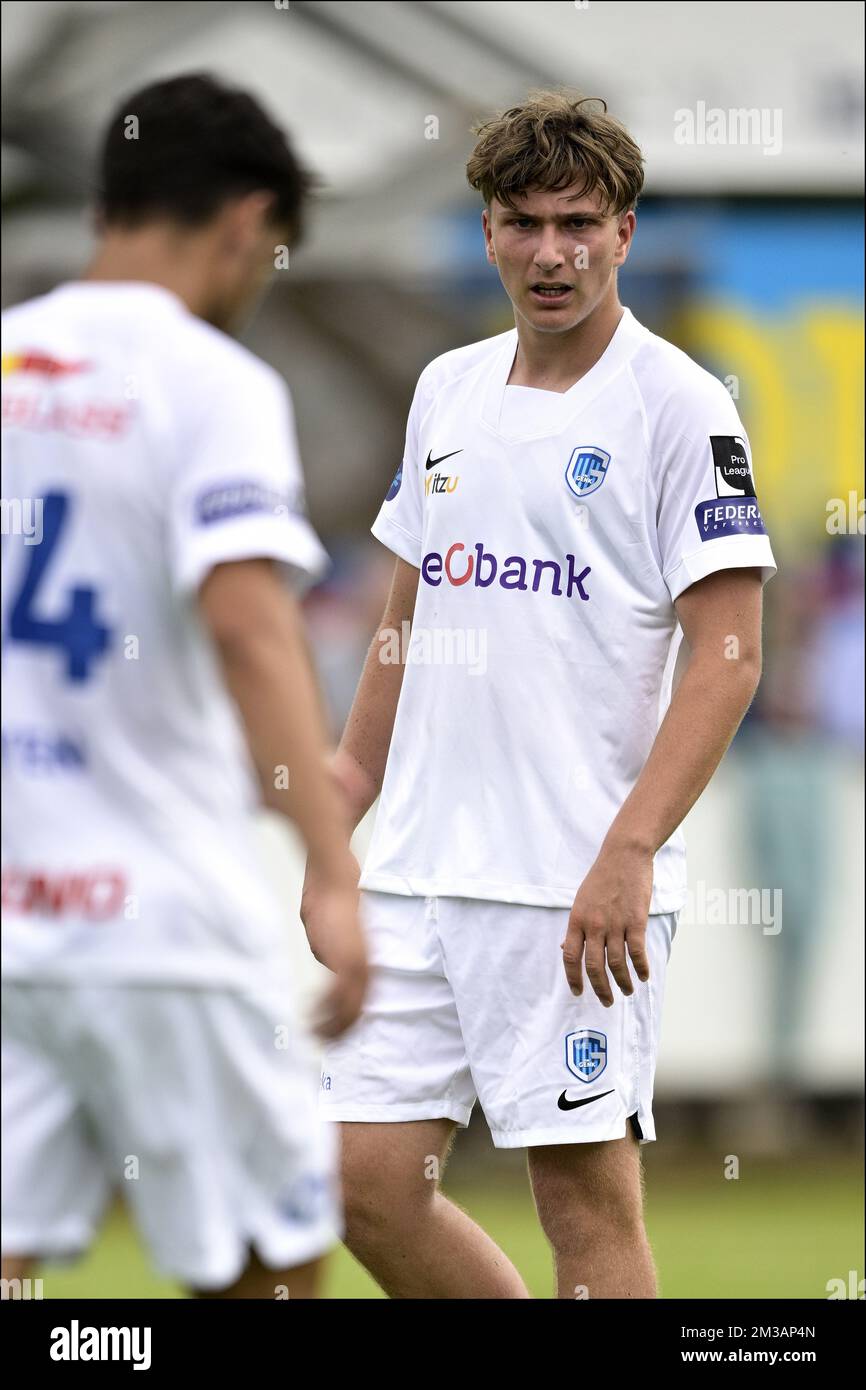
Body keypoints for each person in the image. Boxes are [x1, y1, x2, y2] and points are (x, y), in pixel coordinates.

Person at [304, 91, 776, 1299]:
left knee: (582, 1204)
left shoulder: (678, 405)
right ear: (486, 234)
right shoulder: (446, 390)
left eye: (579, 223)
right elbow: (404, 625)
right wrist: (335, 813)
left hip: (568, 884)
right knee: (353, 1179)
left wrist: (629, 849)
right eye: (523, 222)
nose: (551, 252)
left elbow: (729, 652)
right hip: (413, 873)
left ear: (623, 232)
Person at [1, 73, 366, 1300]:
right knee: (269, 1269)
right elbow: (250, 631)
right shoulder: (212, 387)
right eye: (268, 253)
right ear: (241, 219)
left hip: (10, 919)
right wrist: (329, 861)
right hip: (159, 917)